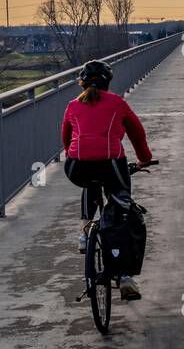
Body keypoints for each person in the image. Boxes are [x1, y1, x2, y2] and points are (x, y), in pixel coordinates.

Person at [61, 59, 155, 300]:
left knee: (88, 180)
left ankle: (83, 233)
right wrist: (144, 158)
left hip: (76, 166)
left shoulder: (72, 105)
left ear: (81, 83)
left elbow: (66, 138)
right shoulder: (117, 103)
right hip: (112, 164)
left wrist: (75, 154)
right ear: (108, 82)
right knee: (121, 208)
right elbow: (137, 133)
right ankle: (124, 277)